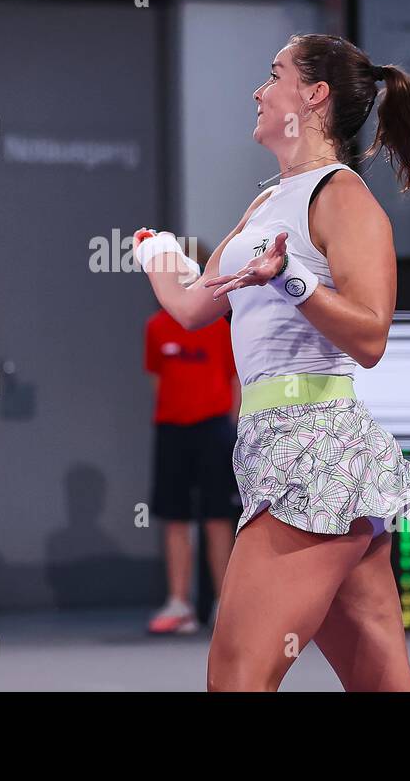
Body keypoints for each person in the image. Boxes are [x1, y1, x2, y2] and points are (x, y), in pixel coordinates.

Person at [132, 33, 410, 691]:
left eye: (273, 75)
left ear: (314, 95)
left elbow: (370, 337)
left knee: (236, 677)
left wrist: (292, 280)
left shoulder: (343, 197)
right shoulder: (267, 202)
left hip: (313, 450)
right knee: (383, 683)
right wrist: (156, 251)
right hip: (275, 448)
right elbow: (193, 307)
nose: (258, 90)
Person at [143, 241, 242, 635]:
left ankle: (225, 604)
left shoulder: (221, 326)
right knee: (174, 518)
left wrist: (234, 433)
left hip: (215, 431)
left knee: (218, 519)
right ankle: (179, 604)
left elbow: (234, 381)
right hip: (172, 431)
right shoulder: (155, 328)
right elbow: (157, 382)